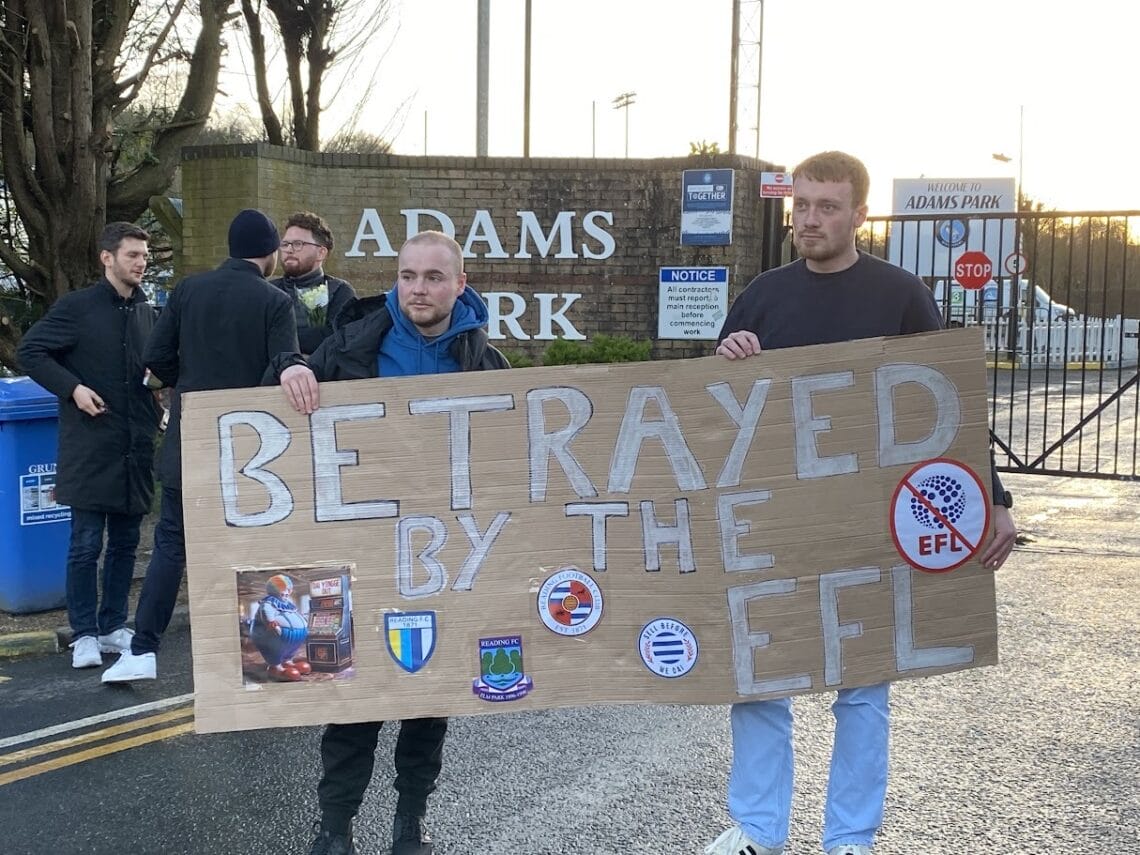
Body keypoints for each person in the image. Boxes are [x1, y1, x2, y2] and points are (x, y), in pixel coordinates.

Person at [705, 151, 1018, 855]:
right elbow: (714, 405)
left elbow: (951, 404)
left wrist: (995, 498)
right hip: (778, 518)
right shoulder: (762, 293)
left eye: (827, 207)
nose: (810, 219)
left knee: (865, 691)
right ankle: (757, 831)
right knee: (760, 680)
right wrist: (728, 350)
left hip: (872, 523)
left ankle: (850, 840)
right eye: (803, 205)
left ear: (859, 215)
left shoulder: (900, 294)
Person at [276, 231, 510, 855]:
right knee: (351, 698)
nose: (419, 289)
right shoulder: (350, 346)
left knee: (428, 697)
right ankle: (335, 828)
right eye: (408, 276)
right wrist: (291, 369)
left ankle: (410, 825)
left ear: (460, 284)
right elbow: (269, 416)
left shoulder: (485, 365)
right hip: (359, 558)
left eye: (434, 277)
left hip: (441, 563)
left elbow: (510, 474)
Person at [102, 209, 300, 684]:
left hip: (189, 441)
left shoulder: (189, 290)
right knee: (254, 550)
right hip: (253, 452)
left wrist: (184, 382)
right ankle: (261, 657)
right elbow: (282, 370)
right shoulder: (275, 301)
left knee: (171, 544)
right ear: (270, 254)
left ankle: (143, 650)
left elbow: (156, 358)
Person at [17, 222, 162, 669]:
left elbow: (156, 369)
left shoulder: (149, 312)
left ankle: (114, 625)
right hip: (89, 445)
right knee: (84, 545)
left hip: (135, 444)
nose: (141, 262)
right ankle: (83, 634)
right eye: (132, 255)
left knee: (124, 545)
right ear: (107, 258)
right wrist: (74, 389)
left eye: (144, 255)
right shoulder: (76, 308)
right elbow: (31, 352)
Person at [271, 211, 357, 356]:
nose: (289, 250)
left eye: (298, 244)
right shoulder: (270, 290)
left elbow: (334, 341)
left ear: (321, 253)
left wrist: (278, 336)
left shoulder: (338, 291)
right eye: (285, 244)